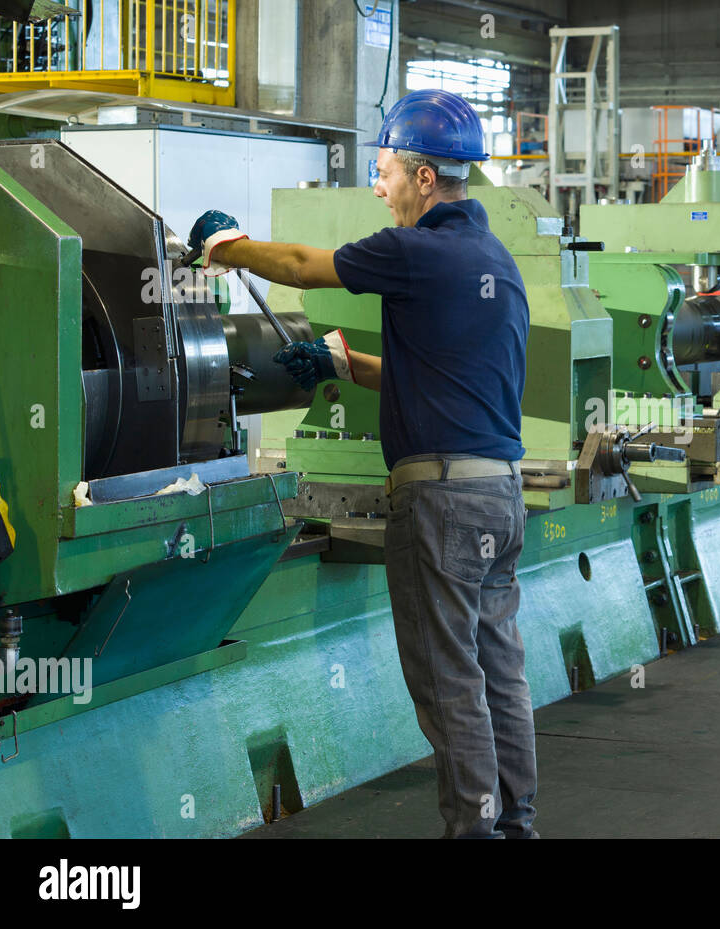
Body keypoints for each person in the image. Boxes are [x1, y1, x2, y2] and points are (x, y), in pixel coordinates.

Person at [187, 89, 537, 839]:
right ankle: (515, 825)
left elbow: (301, 265)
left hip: (442, 503)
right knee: (497, 671)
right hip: (499, 496)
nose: (378, 189)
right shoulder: (493, 261)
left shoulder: (415, 250)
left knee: (449, 683)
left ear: (423, 178)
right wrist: (347, 364)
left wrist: (227, 247)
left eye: (384, 172)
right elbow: (447, 373)